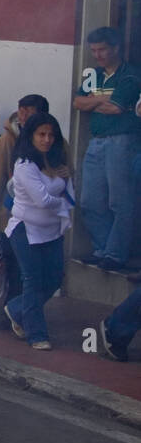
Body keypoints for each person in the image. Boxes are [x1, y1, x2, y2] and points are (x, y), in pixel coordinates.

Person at [2, 113, 74, 351]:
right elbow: (42, 200)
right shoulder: (24, 164)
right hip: (26, 229)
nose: (46, 139)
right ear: (31, 136)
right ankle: (36, 334)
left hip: (52, 230)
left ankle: (15, 309)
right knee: (32, 281)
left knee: (53, 278)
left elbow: (66, 190)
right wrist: (61, 202)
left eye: (51, 135)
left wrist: (60, 184)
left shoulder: (56, 162)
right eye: (41, 134)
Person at [72, 26, 141, 271]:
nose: (97, 55)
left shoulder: (131, 75)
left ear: (116, 48)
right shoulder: (94, 74)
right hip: (97, 140)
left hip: (123, 140)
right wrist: (102, 100)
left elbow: (116, 108)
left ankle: (115, 254)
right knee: (89, 200)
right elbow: (78, 102)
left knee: (120, 201)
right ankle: (102, 249)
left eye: (102, 50)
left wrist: (94, 102)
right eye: (94, 50)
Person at [0, 94, 50, 301]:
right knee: (13, 270)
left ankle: (22, 312)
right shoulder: (7, 140)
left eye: (30, 112)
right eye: (21, 111)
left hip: (43, 219)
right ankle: (12, 312)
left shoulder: (53, 140)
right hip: (11, 217)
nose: (24, 116)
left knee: (38, 272)